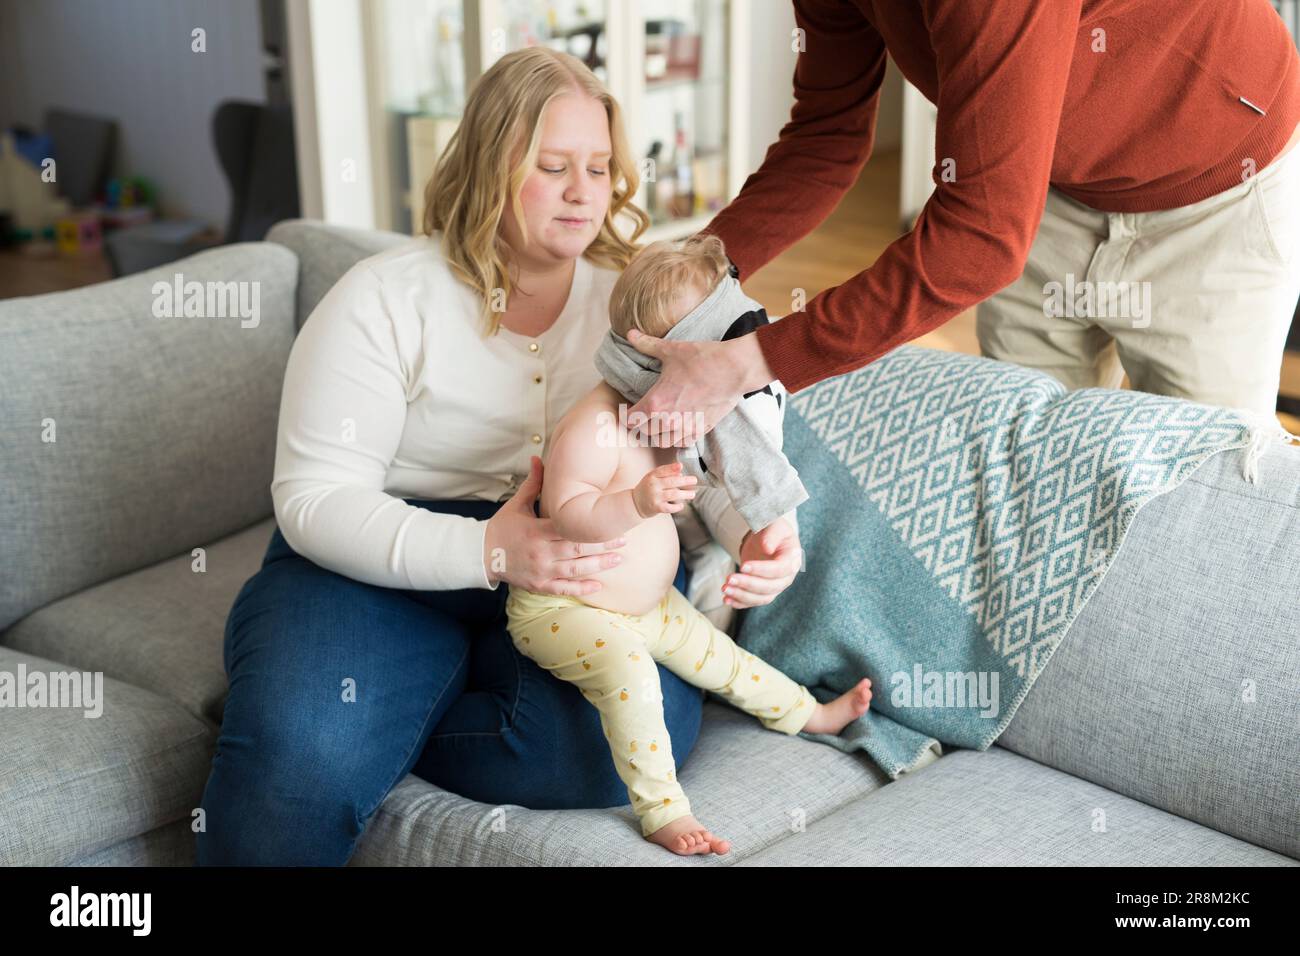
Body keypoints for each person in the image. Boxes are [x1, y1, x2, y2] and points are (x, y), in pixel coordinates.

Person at [196, 47, 803, 866]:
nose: (585, 191)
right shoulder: (382, 298)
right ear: (489, 166)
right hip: (371, 562)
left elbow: (698, 446)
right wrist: (489, 548)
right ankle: (313, 703)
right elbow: (314, 500)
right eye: (554, 167)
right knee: (300, 748)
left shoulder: (635, 306)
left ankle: (374, 712)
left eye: (598, 167)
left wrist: (758, 530)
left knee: (602, 746)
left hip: (567, 578)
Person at [624, 0, 1300, 448]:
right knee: (1036, 464)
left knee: (1207, 484)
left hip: (1217, 201)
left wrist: (752, 363)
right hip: (1041, 193)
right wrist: (690, 268)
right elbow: (825, 138)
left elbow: (979, 241)